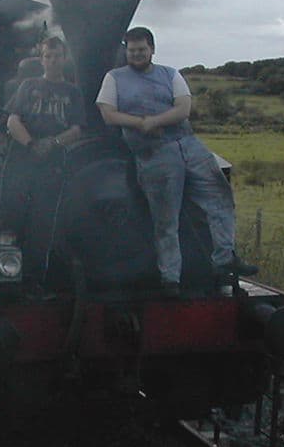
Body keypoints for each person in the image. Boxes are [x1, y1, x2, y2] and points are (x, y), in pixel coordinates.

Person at [95, 27, 257, 296]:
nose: (137, 54)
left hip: (188, 145)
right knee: (165, 217)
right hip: (153, 152)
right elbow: (108, 114)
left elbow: (183, 108)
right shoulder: (114, 78)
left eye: (142, 50)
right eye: (132, 50)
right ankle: (170, 277)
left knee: (220, 197)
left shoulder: (171, 74)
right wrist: (140, 123)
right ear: (126, 51)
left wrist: (154, 121)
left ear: (152, 49)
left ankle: (224, 258)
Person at [2, 37, 84, 287]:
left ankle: (35, 277)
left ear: (64, 58)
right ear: (41, 59)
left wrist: (53, 143)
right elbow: (12, 120)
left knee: (44, 221)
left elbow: (77, 129)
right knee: (12, 215)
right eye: (48, 56)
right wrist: (31, 144)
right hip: (21, 158)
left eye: (57, 56)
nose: (52, 60)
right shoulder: (28, 85)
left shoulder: (73, 91)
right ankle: (6, 272)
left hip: (53, 161)